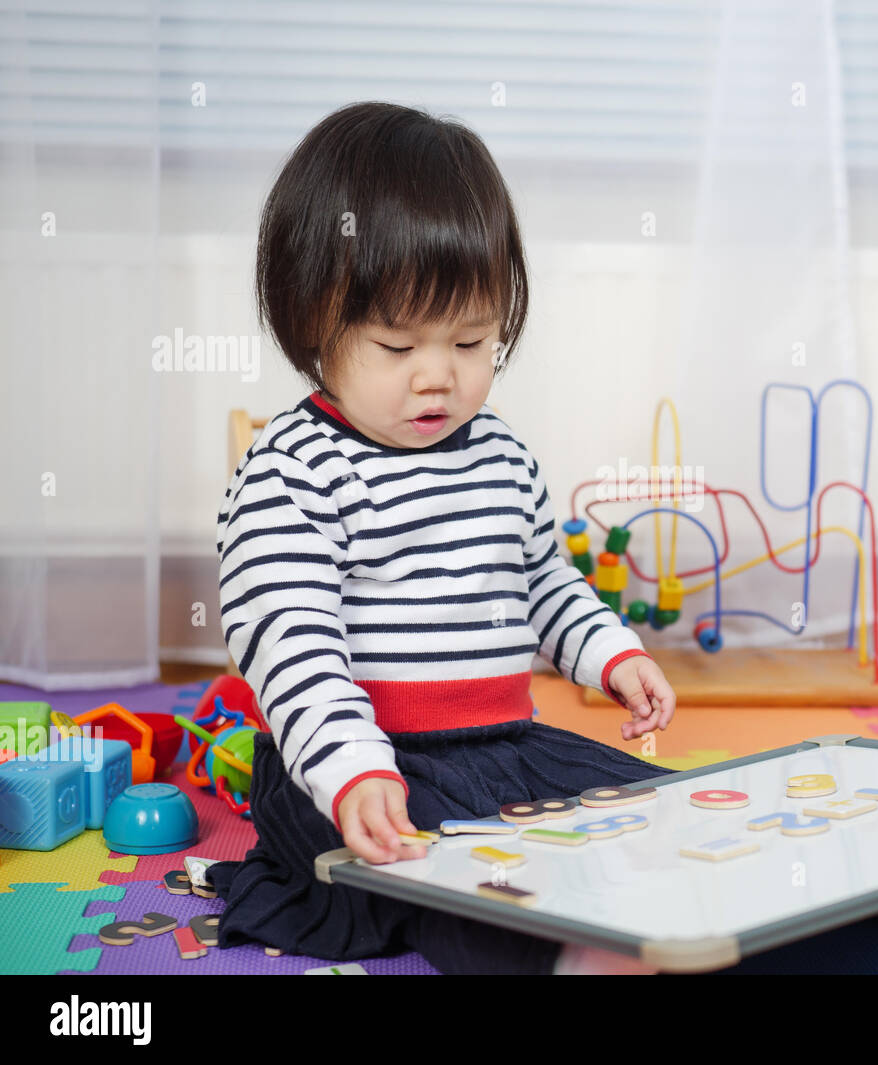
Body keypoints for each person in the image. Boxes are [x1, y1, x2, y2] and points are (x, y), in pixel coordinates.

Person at [207, 101, 676, 975]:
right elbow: (290, 647)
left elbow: (546, 585)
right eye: (397, 344)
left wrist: (612, 654)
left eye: (470, 339)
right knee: (442, 873)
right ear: (315, 321)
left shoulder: (499, 453)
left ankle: (812, 909)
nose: (438, 374)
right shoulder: (293, 468)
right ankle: (568, 956)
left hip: (503, 750)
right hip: (362, 763)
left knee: (664, 814)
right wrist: (351, 770)